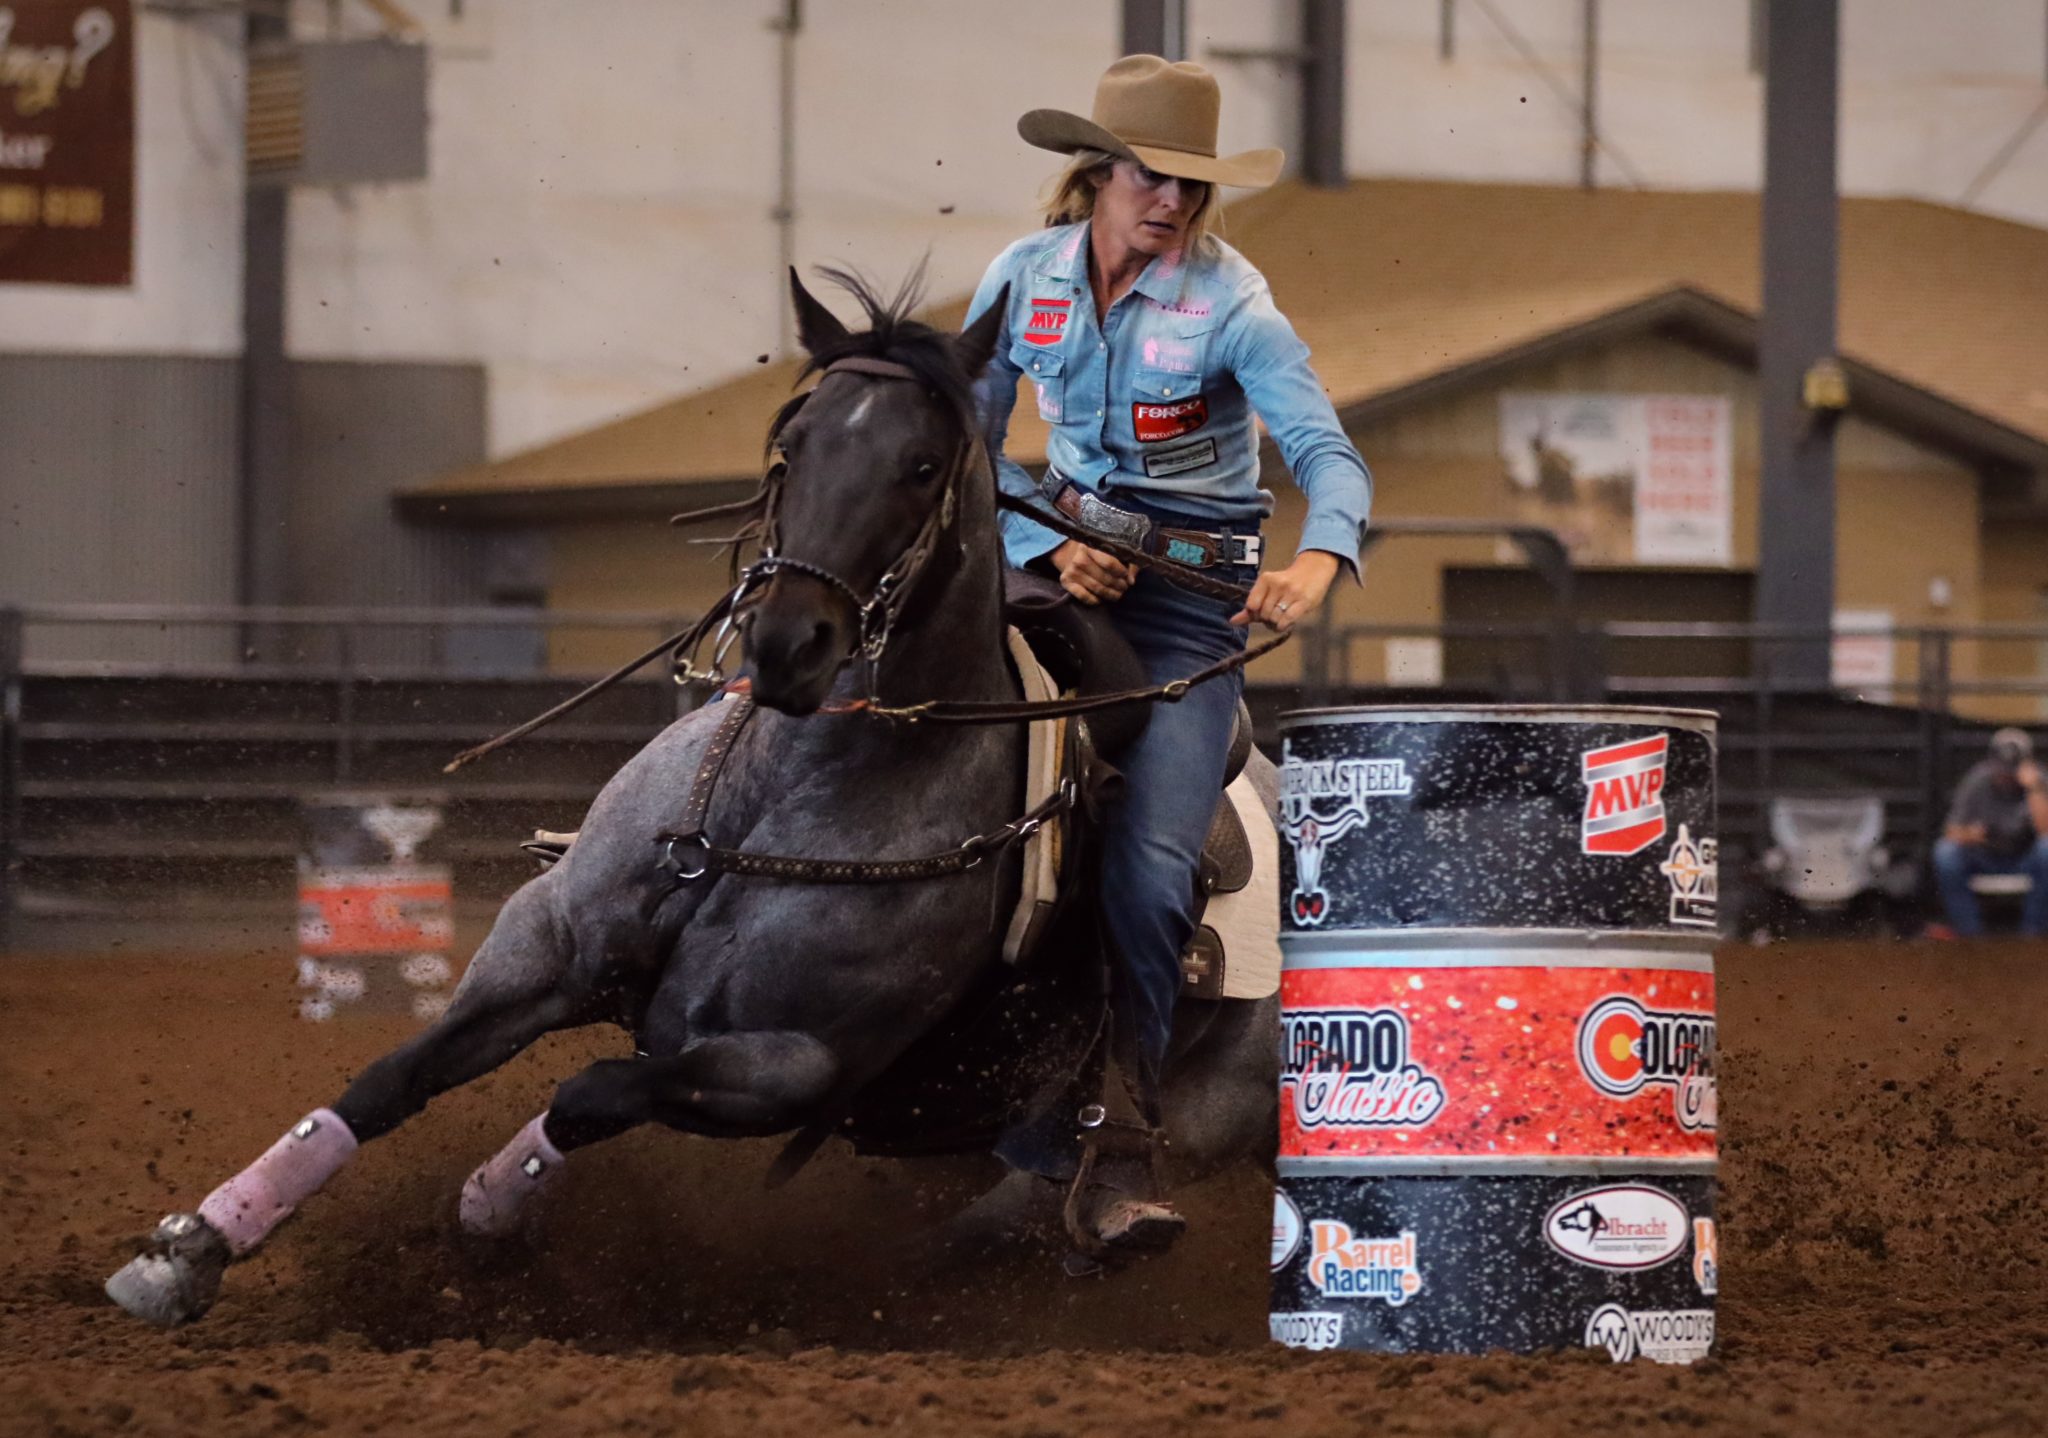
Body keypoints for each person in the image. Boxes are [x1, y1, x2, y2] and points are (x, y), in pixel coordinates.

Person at [966, 55, 1371, 1248]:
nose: (1171, 203)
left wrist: (1318, 559)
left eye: (1190, 186)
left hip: (1190, 619)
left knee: (1150, 872)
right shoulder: (1020, 278)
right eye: (1152, 177)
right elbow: (967, 441)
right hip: (1055, 569)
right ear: (1099, 170)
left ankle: (1118, 1136)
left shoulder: (1233, 304)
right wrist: (1030, 535)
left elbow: (1325, 452)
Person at [1932, 728, 2048, 937]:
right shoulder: (1978, 779)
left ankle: (2033, 933)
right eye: (2000, 769)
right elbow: (1951, 831)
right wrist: (1972, 835)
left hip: (2024, 857)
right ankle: (1971, 935)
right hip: (1986, 855)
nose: (2005, 776)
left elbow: (2044, 831)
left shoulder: (2038, 781)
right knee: (1945, 853)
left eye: (2010, 770)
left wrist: (2034, 789)